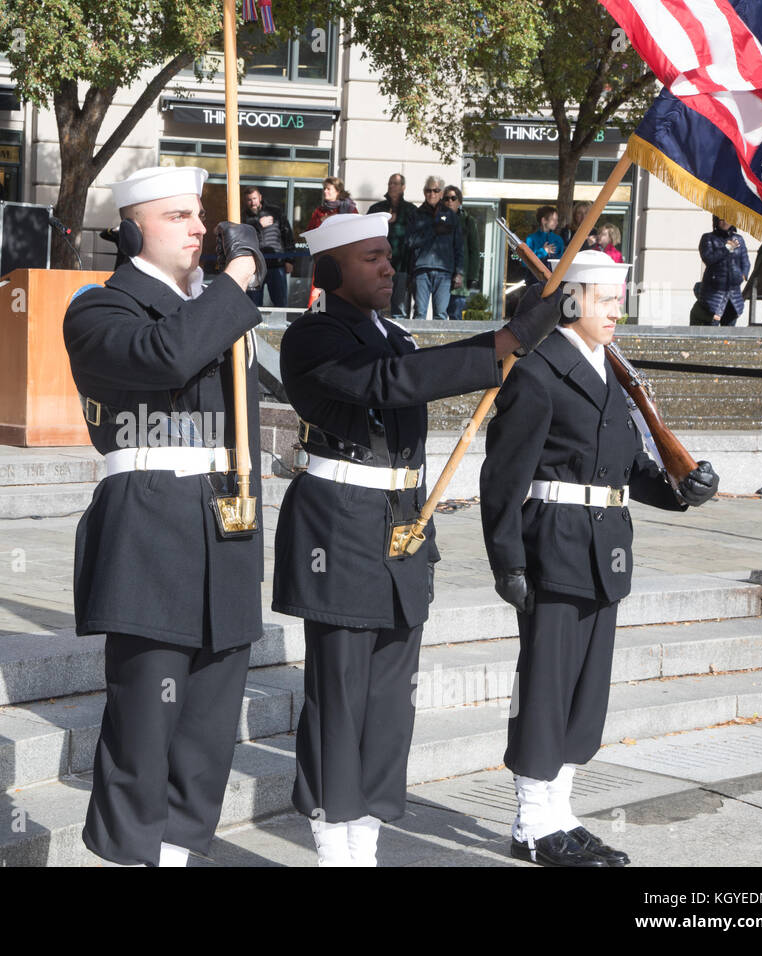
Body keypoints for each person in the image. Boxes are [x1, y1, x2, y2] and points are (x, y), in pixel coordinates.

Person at [272, 212, 566, 866]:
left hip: (402, 520)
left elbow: (434, 370)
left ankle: (367, 838)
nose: (387, 267)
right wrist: (511, 334)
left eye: (387, 256)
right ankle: (333, 841)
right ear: (332, 270)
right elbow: (389, 384)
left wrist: (531, 334)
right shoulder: (314, 337)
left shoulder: (395, 334)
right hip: (339, 521)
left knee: (389, 701)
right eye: (371, 257)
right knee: (341, 696)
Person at [480, 249, 719, 867]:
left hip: (605, 547)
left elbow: (629, 465)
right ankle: (532, 822)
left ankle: (561, 812)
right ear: (572, 300)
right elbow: (503, 475)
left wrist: (679, 489)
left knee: (585, 694)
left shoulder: (609, 370)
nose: (618, 309)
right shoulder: (537, 371)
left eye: (620, 298)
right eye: (607, 299)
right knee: (547, 686)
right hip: (553, 543)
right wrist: (506, 558)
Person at [62, 165, 265, 867]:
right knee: (142, 733)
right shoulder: (99, 309)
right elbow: (167, 355)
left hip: (224, 533)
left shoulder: (217, 308)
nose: (200, 227)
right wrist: (235, 282)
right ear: (129, 231)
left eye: (200, 215)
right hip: (149, 536)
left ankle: (179, 857)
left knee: (208, 738)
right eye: (178, 215)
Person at [405, 175, 464, 320]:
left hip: (444, 271)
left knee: (441, 315)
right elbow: (409, 242)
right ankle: (414, 343)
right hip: (421, 269)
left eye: (436, 190)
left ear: (442, 193)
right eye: (428, 190)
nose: (432, 194)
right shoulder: (415, 215)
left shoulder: (451, 216)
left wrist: (459, 272)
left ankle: (442, 344)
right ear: (424, 192)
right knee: (419, 313)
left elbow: (459, 247)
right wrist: (433, 230)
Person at [368, 173, 418, 320]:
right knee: (376, 307)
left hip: (402, 266)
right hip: (378, 266)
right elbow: (367, 235)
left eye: (395, 183)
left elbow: (415, 240)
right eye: (390, 183)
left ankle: (399, 340)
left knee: (399, 309)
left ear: (403, 187)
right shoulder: (377, 209)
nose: (391, 186)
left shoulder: (411, 210)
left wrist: (412, 268)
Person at [243, 185, 296, 308]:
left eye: (254, 198)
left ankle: (281, 327)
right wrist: (258, 225)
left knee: (280, 303)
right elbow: (241, 237)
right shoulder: (243, 217)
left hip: (276, 264)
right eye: (249, 200)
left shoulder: (275, 212)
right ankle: (255, 328)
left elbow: (287, 234)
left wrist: (290, 260)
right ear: (245, 201)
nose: (252, 203)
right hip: (255, 267)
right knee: (253, 304)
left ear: (260, 197)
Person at [697, 216, 751, 326]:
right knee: (712, 326)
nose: (726, 221)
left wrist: (743, 275)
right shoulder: (708, 238)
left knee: (730, 328)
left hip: (733, 293)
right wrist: (727, 248)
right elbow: (708, 258)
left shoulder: (738, 239)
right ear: (716, 221)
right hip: (714, 292)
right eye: (722, 219)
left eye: (728, 218)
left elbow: (745, 261)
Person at [443, 186, 482, 320]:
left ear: (459, 201)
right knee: (441, 314)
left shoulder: (468, 221)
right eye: (446, 198)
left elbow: (474, 250)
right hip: (442, 275)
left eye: (453, 198)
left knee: (455, 314)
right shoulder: (439, 220)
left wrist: (473, 276)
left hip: (461, 278)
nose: (449, 201)